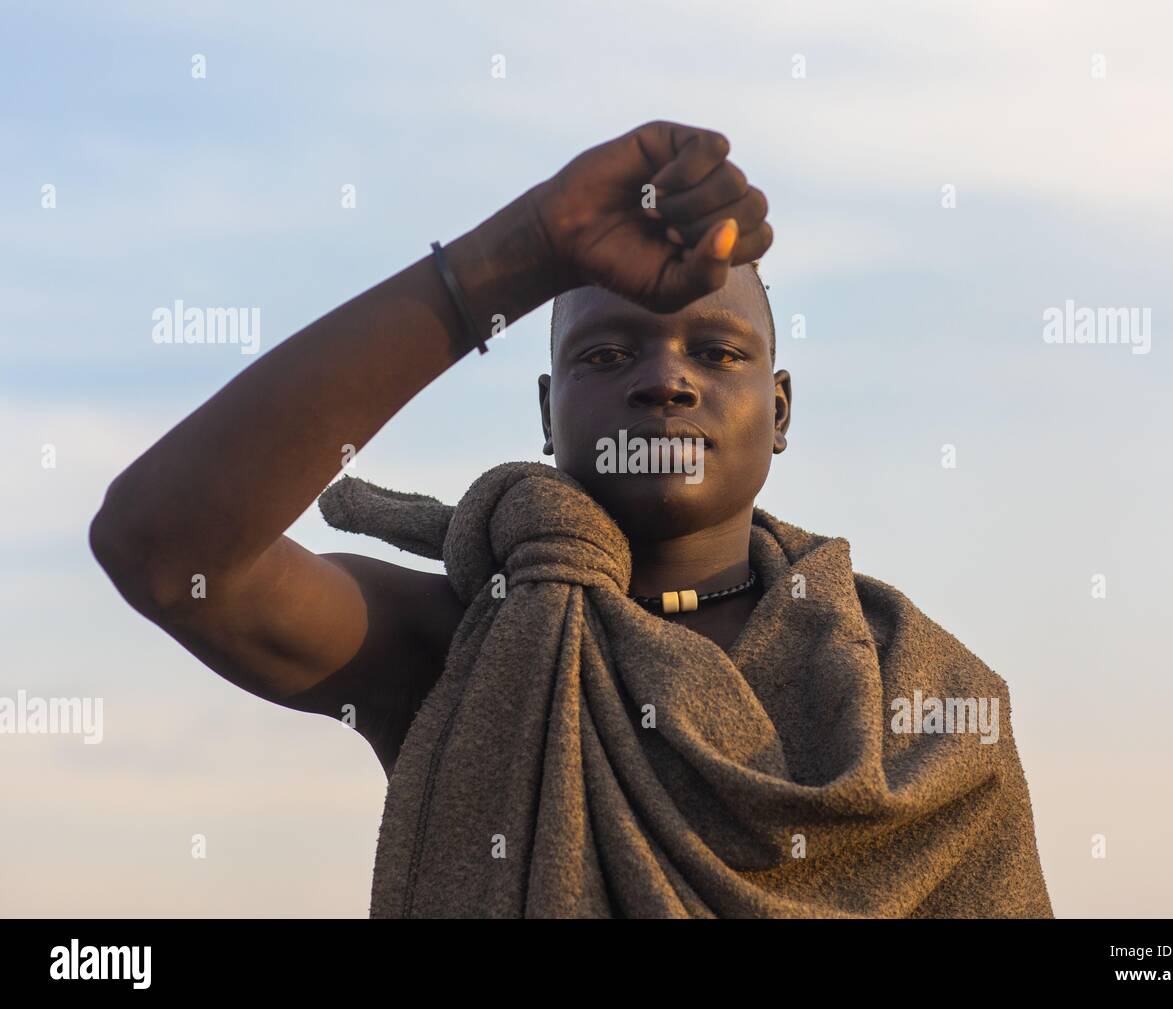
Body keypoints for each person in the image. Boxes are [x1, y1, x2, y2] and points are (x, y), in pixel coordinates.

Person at [91, 120, 1052, 917]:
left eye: (718, 353)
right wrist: (516, 259)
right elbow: (162, 551)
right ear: (548, 417)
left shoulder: (924, 703)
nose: (666, 380)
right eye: (606, 356)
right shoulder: (466, 645)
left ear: (783, 410)